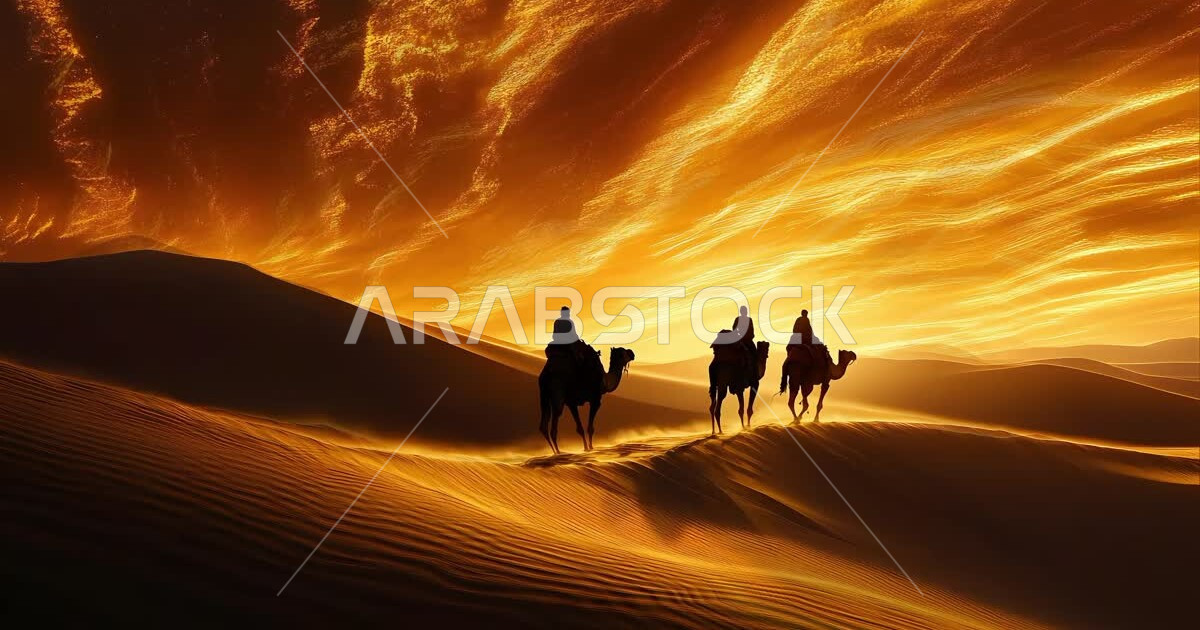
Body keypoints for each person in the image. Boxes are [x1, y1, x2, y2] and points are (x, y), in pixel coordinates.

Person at [730, 305, 756, 371]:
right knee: (753, 352)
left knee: (754, 351)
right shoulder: (739, 319)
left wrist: (750, 336)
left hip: (746, 339)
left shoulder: (748, 319)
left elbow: (751, 329)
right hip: (741, 340)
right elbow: (734, 329)